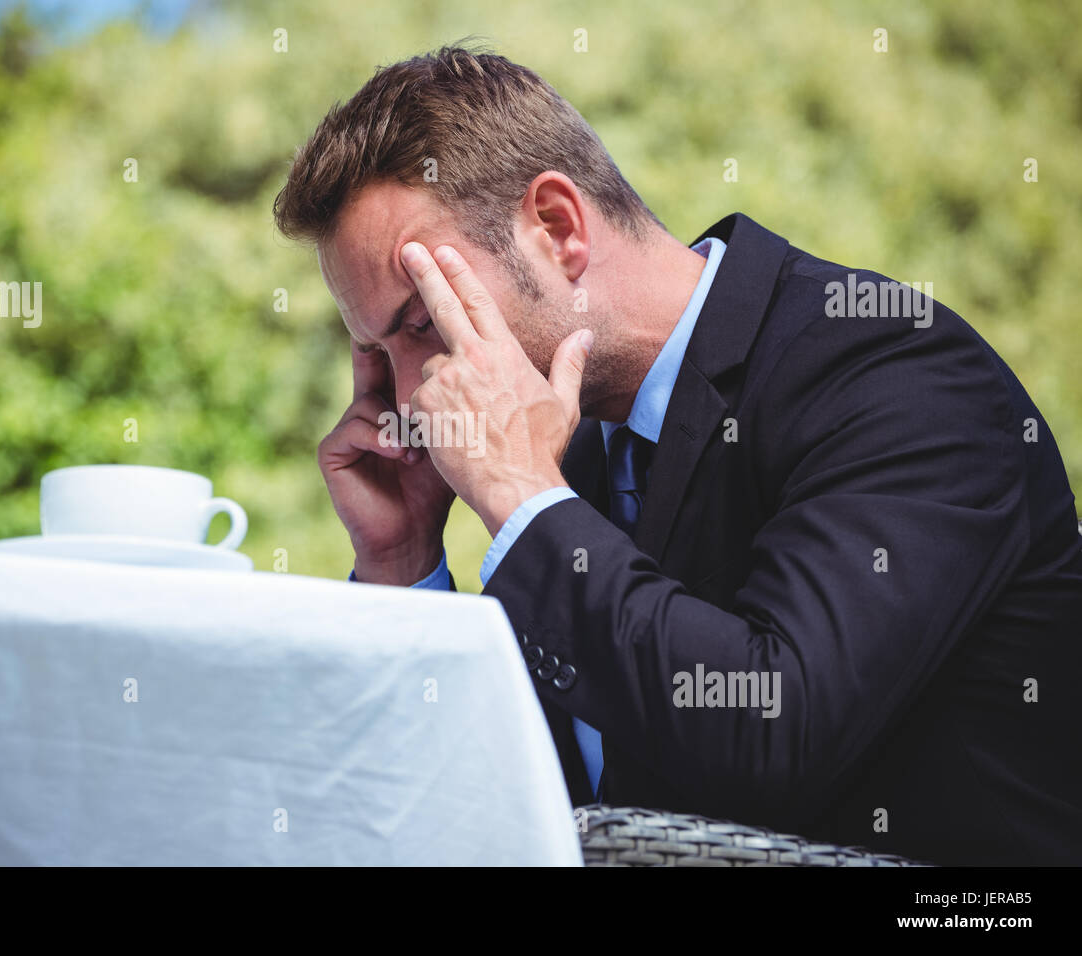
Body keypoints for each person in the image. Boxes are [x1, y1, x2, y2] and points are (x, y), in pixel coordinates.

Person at [272, 44, 1082, 865]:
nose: (408, 400)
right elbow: (481, 814)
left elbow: (773, 733)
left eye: (419, 323)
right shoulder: (570, 454)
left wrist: (522, 495)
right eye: (379, 351)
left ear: (556, 228)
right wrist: (406, 562)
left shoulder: (897, 374)